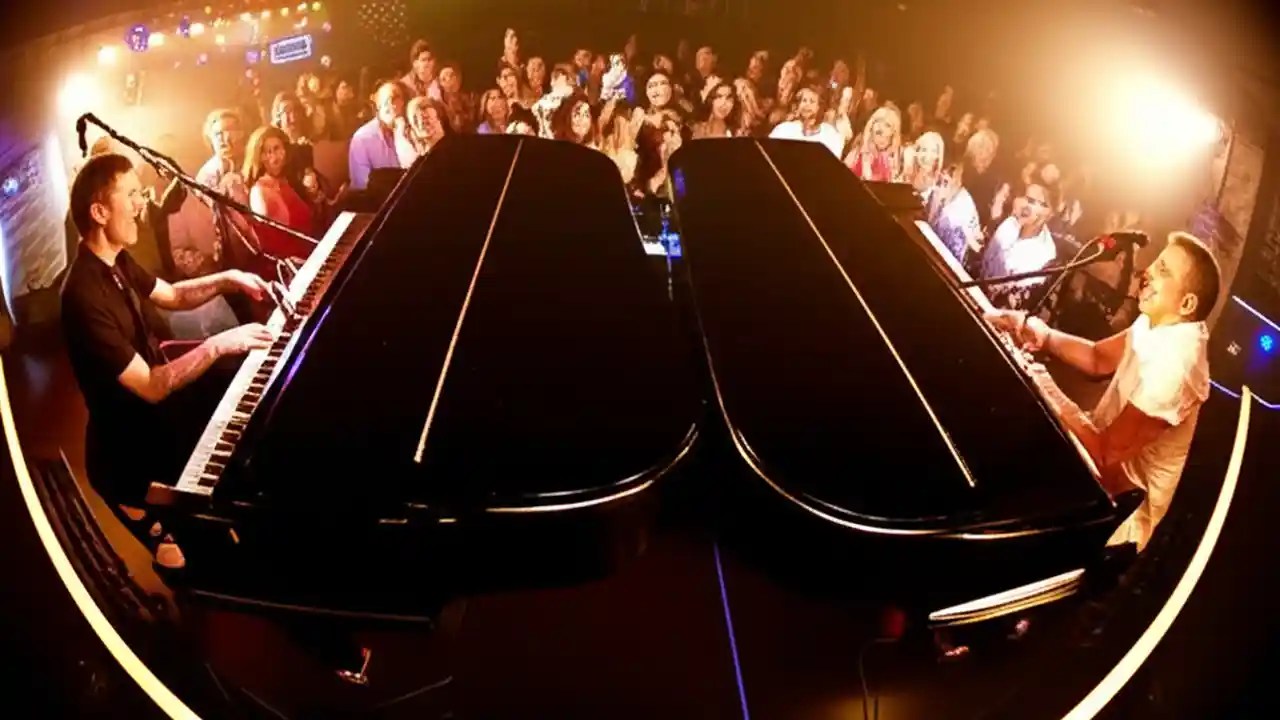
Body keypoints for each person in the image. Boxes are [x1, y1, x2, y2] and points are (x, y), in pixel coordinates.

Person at [61, 154, 274, 569]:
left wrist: (228, 279)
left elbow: (173, 295)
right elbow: (151, 386)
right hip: (128, 458)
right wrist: (218, 344)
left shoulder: (117, 259)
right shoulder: (83, 295)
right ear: (99, 212)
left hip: (156, 422)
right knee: (185, 561)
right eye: (132, 194)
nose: (142, 203)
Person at [985, 232, 1219, 553]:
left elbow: (1105, 455)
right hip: (1095, 459)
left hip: (1120, 516)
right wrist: (1042, 334)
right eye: (1156, 262)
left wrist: (1044, 385)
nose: (1147, 272)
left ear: (1187, 303)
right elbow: (1098, 358)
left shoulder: (1176, 366)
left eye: (1163, 270)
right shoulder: (1158, 322)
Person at [348, 81, 407, 190]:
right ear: (377, 106)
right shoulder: (362, 139)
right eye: (386, 101)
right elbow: (362, 185)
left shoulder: (412, 131)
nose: (391, 105)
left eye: (395, 98)